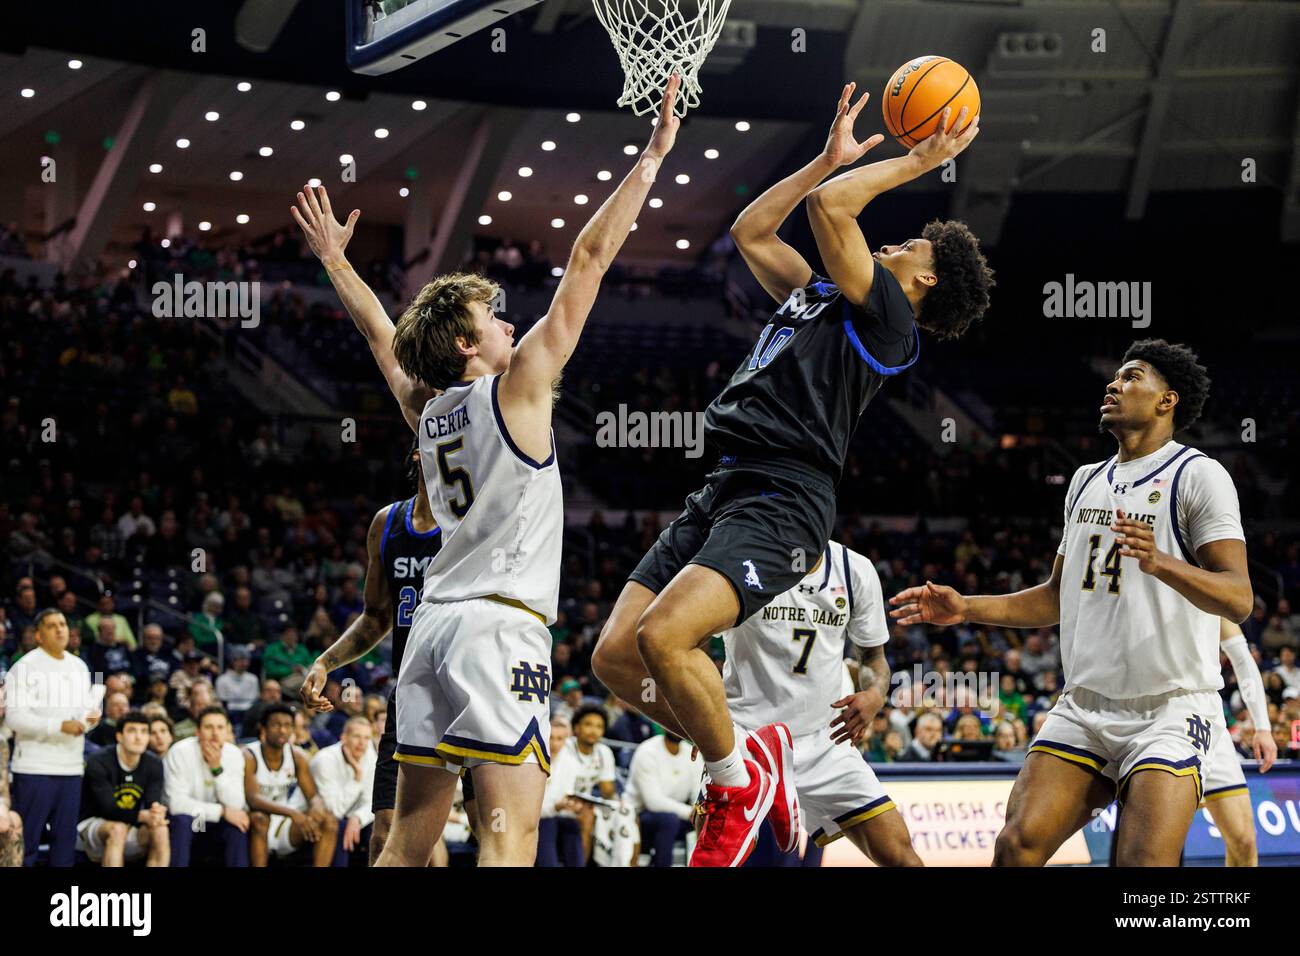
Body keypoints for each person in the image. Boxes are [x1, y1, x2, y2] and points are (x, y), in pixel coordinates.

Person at [590, 84, 989, 866]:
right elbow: (752, 228)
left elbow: (832, 214)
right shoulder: (816, 296)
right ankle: (749, 759)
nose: (894, 243)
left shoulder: (890, 322)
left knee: (666, 637)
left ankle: (735, 780)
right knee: (614, 656)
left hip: (784, 492)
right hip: (726, 483)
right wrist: (824, 161)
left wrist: (914, 161)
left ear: (927, 281)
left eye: (909, 245)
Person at [290, 74, 682, 868]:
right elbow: (591, 257)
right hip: (499, 631)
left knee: (406, 844)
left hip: (430, 633)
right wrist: (651, 156)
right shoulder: (522, 385)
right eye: (490, 317)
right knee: (511, 842)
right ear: (469, 347)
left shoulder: (427, 411)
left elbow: (378, 333)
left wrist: (335, 259)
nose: (509, 321)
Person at [891, 340, 1253, 867]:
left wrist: (1162, 563)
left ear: (1166, 401)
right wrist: (965, 608)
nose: (1114, 384)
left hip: (1170, 709)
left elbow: (1239, 597)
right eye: (1115, 376)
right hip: (1085, 706)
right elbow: (1056, 597)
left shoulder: (1197, 475)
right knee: (1016, 847)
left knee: (1141, 865)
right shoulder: (1085, 480)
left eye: (1132, 377)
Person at [720, 542, 921, 863]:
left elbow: (873, 656)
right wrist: (708, 727)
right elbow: (691, 644)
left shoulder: (854, 568)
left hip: (828, 742)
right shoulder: (738, 555)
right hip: (747, 743)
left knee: (902, 856)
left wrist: (875, 695)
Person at [301, 442, 441, 865]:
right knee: (384, 829)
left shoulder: (473, 521)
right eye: (426, 446)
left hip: (466, 688)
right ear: (414, 458)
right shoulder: (388, 523)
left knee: (482, 820)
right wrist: (325, 661)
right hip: (412, 693)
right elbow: (376, 616)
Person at [1, 608, 100, 865]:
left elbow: (87, 711)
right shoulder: (24, 667)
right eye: (51, 625)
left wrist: (90, 721)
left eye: (63, 624)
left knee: (64, 844)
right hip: (34, 767)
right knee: (28, 843)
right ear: (38, 635)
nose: (60, 629)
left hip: (71, 767)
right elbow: (14, 718)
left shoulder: (79, 666)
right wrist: (58, 726)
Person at [1201, 617, 1278, 866]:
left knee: (1244, 842)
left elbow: (1242, 658)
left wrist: (1263, 727)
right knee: (1157, 849)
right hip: (1157, 719)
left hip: (1206, 719)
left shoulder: (1206, 586)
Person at [243, 703, 337, 867]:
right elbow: (253, 799)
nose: (282, 730)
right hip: (252, 825)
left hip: (283, 824)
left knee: (329, 821)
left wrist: (316, 808)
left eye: (287, 725)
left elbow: (312, 795)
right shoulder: (248, 755)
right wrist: (293, 813)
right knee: (260, 818)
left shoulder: (297, 756)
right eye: (276, 725)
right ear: (263, 728)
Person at [77, 710, 169, 866]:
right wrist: (143, 816)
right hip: (92, 826)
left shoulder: (153, 763)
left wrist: (155, 812)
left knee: (160, 829)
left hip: (130, 824)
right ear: (119, 736)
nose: (139, 737)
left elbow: (152, 802)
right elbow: (107, 809)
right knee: (117, 829)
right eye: (132, 731)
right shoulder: (98, 761)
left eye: (144, 732)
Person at [164, 705, 250, 867]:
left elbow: (236, 804)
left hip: (215, 824)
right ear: (197, 732)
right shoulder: (180, 752)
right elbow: (176, 805)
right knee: (182, 820)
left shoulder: (234, 754)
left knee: (238, 826)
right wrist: (222, 811)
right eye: (208, 727)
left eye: (220, 727)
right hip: (187, 821)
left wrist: (217, 769)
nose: (215, 733)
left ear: (227, 731)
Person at [625, 729, 702, 866]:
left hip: (677, 815)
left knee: (709, 818)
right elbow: (653, 801)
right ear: (663, 725)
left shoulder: (691, 753)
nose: (677, 728)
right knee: (669, 820)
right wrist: (691, 813)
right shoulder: (647, 751)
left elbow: (697, 793)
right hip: (638, 816)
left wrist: (699, 813)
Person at [309, 716, 377, 866]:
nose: (362, 743)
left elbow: (371, 801)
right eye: (357, 736)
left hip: (348, 816)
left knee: (378, 825)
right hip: (314, 817)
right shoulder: (325, 759)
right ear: (344, 738)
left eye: (366, 738)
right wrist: (357, 777)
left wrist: (357, 817)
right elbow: (334, 810)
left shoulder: (370, 757)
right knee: (339, 825)